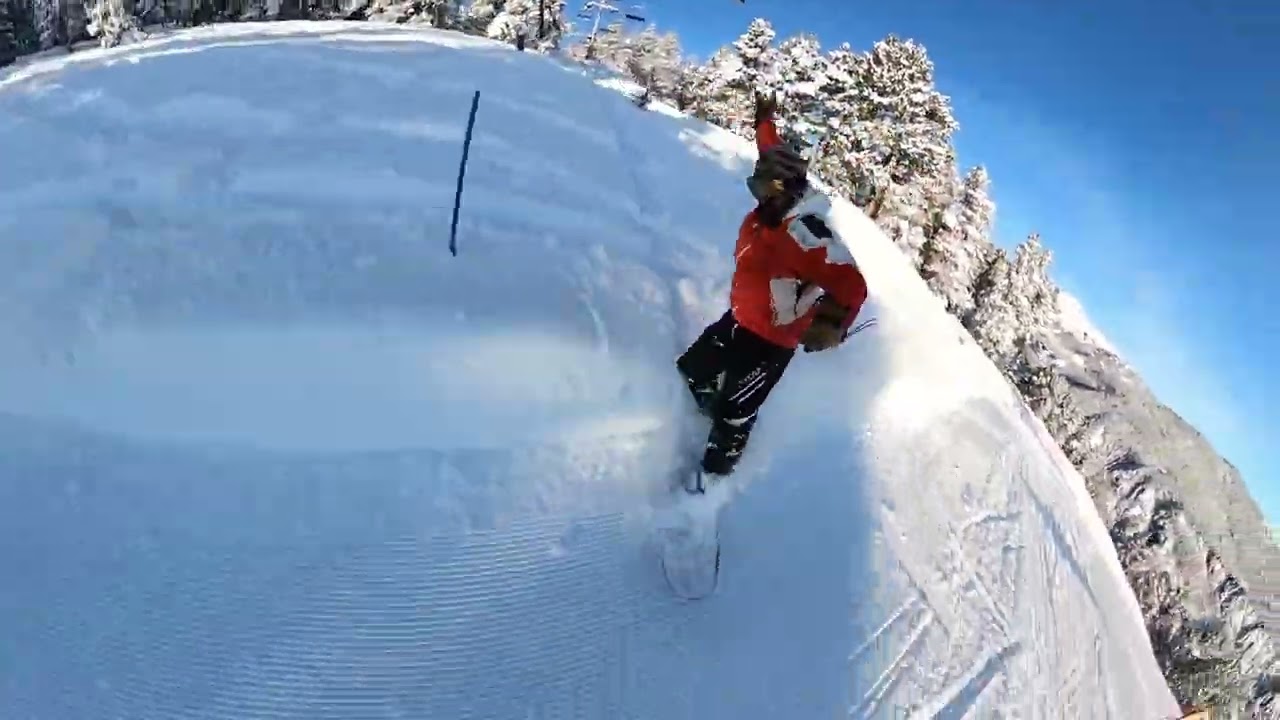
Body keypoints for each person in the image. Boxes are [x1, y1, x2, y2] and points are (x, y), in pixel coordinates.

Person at [675, 93, 869, 494]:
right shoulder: (770, 211)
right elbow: (772, 152)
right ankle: (710, 402)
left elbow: (853, 282)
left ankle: (712, 479)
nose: (755, 190)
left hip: (770, 342)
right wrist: (764, 122)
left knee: (736, 411)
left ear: (781, 188)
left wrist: (833, 322)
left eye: (761, 185)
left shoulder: (806, 232)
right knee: (692, 369)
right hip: (740, 319)